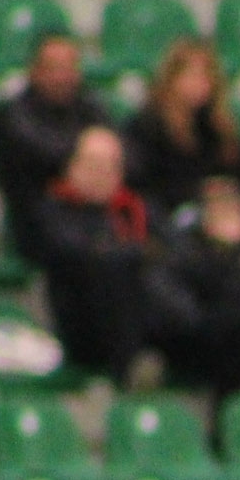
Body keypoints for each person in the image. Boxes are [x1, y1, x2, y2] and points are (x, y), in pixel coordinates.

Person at [150, 180, 240, 415]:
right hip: (192, 343)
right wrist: (231, 259)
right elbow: (188, 313)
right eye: (223, 214)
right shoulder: (186, 255)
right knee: (237, 321)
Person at [33, 125, 155, 381]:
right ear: (72, 166)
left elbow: (171, 250)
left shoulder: (134, 209)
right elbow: (81, 256)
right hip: (85, 326)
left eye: (111, 165)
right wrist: (137, 253)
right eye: (93, 164)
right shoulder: (55, 210)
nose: (102, 173)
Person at [0, 31, 113, 263]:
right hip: (39, 224)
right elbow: (44, 155)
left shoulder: (89, 107)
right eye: (53, 67)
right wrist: (88, 154)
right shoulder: (15, 114)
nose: (61, 76)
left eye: (68, 67)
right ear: (34, 70)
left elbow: (118, 148)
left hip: (94, 216)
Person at [122, 39, 240, 226]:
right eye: (193, 75)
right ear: (172, 78)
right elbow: (146, 186)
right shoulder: (147, 127)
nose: (201, 83)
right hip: (165, 220)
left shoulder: (213, 128)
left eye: (207, 76)